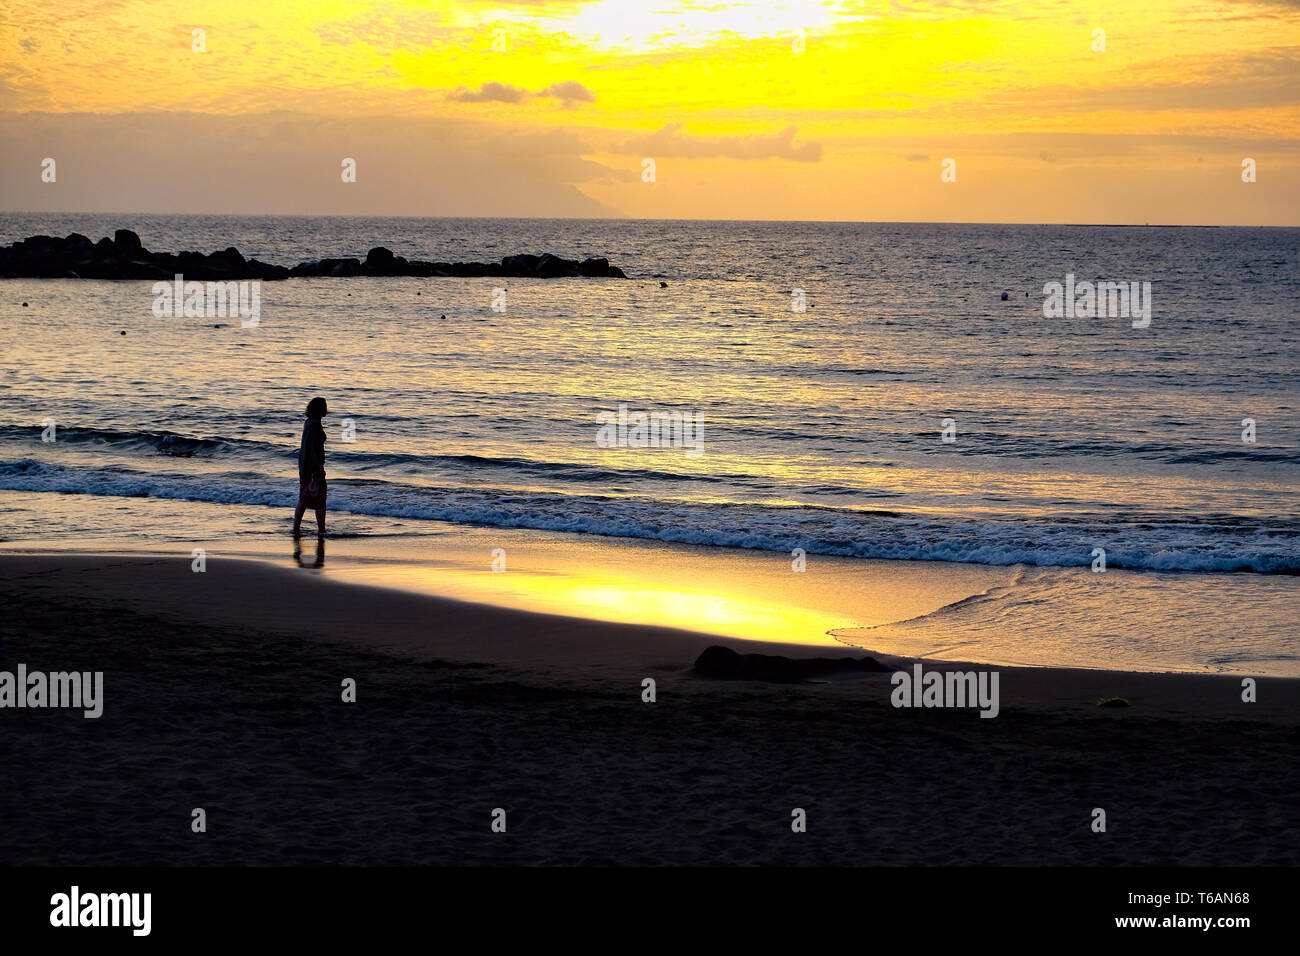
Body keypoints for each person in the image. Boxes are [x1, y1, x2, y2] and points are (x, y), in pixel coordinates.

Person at [293, 396, 328, 538]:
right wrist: (317, 468)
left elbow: (306, 447)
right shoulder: (314, 424)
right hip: (312, 466)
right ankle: (321, 530)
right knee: (320, 500)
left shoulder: (309, 422)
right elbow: (311, 448)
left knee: (304, 497)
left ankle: (296, 528)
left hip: (305, 466)